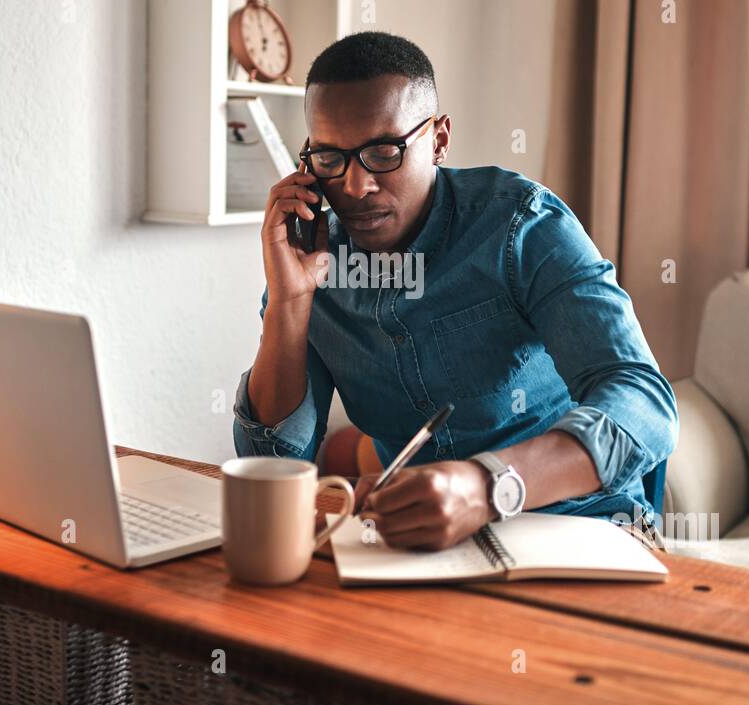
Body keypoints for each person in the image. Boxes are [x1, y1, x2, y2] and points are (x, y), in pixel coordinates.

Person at [232, 31, 677, 551]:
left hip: (582, 525)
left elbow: (644, 404)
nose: (354, 187)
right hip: (423, 543)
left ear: (439, 139)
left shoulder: (521, 227)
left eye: (383, 152)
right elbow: (274, 466)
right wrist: (288, 304)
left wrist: (489, 487)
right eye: (330, 158)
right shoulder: (312, 262)